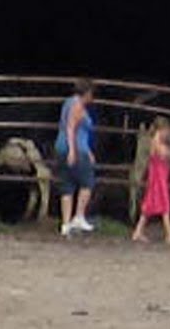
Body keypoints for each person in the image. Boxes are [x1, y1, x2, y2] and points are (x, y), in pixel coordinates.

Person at [55, 78, 97, 237]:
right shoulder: (78, 106)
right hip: (77, 149)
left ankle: (66, 224)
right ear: (87, 93)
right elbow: (71, 128)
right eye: (92, 93)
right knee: (87, 182)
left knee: (67, 185)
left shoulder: (68, 102)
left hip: (61, 147)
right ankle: (79, 216)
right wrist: (73, 150)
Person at [131, 116, 170, 244]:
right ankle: (169, 234)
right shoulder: (156, 141)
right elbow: (164, 154)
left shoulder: (157, 141)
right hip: (158, 177)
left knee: (149, 204)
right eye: (166, 130)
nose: (167, 133)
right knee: (164, 203)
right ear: (161, 129)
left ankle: (137, 232)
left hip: (159, 176)